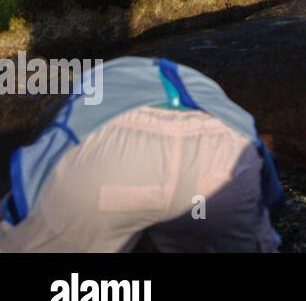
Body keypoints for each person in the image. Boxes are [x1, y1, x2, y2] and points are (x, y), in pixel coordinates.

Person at [0, 56, 283, 252]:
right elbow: (271, 195)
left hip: (112, 160)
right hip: (215, 164)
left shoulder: (85, 89)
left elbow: (32, 185)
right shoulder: (213, 97)